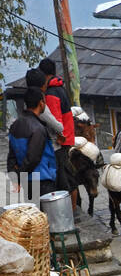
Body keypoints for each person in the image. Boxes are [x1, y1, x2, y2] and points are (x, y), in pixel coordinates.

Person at [7, 86, 58, 202]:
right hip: (42, 182)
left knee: (33, 215)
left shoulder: (15, 126)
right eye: (44, 100)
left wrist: (15, 178)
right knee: (43, 217)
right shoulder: (38, 128)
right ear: (41, 103)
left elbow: (11, 157)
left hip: (27, 183)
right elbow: (33, 159)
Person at [39, 57, 77, 207]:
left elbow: (56, 122)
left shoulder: (51, 93)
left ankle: (72, 212)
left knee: (66, 179)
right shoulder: (60, 87)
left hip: (61, 141)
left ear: (44, 75)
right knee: (69, 177)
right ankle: (74, 210)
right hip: (68, 137)